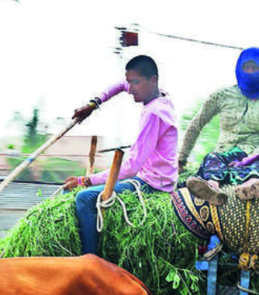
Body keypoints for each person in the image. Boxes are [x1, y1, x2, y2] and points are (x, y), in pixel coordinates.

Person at [63, 55, 178, 256]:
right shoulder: (161, 96)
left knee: (84, 198)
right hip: (153, 176)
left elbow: (131, 167)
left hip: (152, 184)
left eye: (135, 82)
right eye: (129, 81)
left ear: (153, 80)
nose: (130, 88)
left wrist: (85, 180)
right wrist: (93, 104)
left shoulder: (154, 113)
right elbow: (120, 85)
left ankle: (89, 261)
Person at [177, 47, 259, 191]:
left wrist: (245, 161)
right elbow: (196, 125)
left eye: (255, 68)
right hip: (224, 155)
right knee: (211, 158)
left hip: (255, 157)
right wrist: (181, 159)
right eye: (247, 67)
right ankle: (212, 187)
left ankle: (251, 185)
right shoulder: (222, 95)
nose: (250, 72)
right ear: (239, 69)